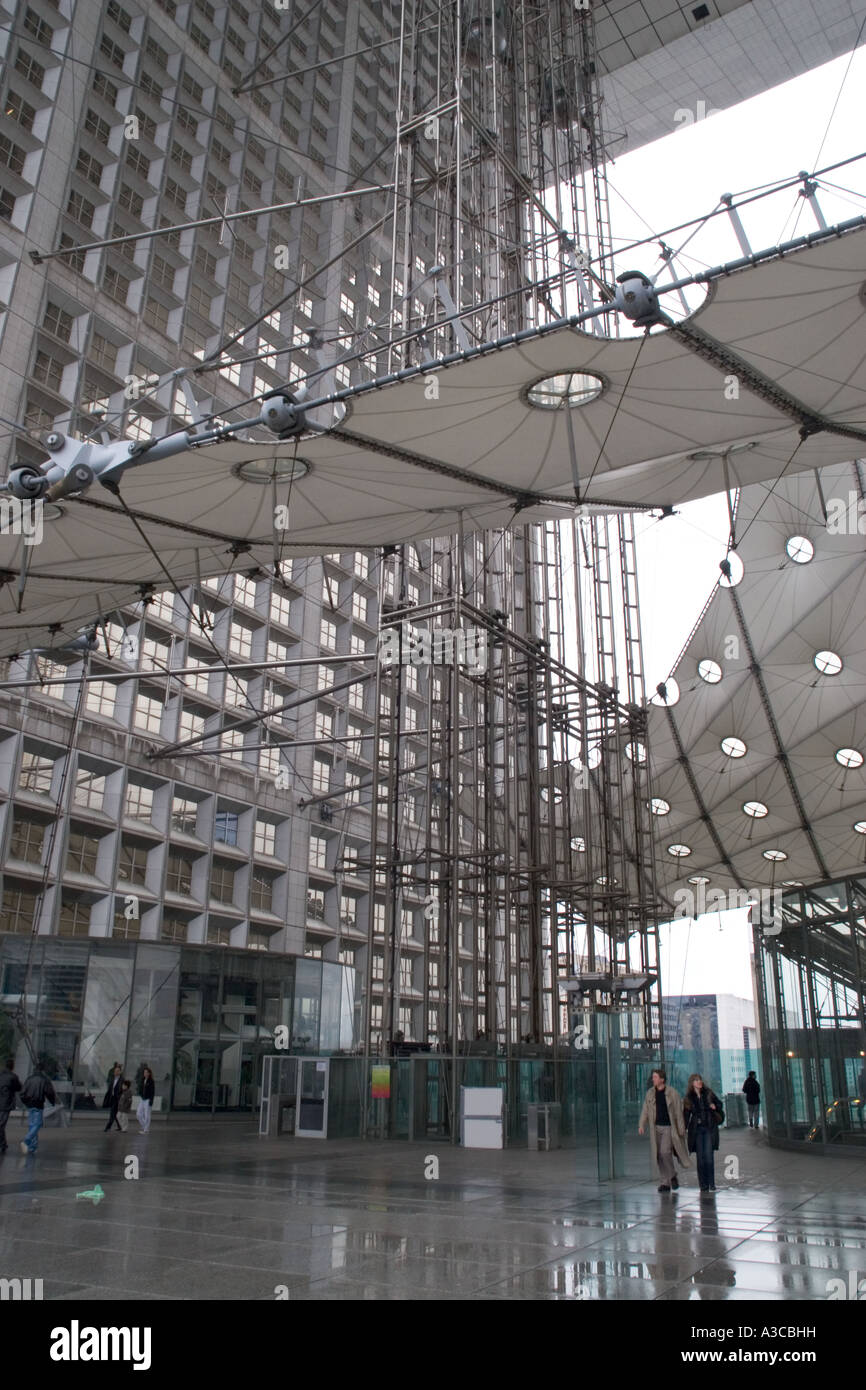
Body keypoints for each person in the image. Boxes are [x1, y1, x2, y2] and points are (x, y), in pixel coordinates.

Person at [638, 1066, 690, 1192]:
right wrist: (641, 1124)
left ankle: (672, 1175)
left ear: (662, 1079)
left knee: (665, 1152)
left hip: (668, 1128)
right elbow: (645, 1110)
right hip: (655, 1128)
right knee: (658, 1155)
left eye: (655, 1077)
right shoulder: (650, 1093)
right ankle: (665, 1182)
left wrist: (681, 1129)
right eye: (653, 1077)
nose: (653, 1079)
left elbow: (678, 1112)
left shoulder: (672, 1093)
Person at [684, 1073, 725, 1194]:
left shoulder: (708, 1093)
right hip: (696, 1129)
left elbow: (719, 1104)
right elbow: (686, 1115)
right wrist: (683, 1129)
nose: (699, 1082)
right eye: (696, 1080)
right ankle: (703, 1184)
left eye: (700, 1080)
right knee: (700, 1159)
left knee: (709, 1157)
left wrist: (714, 1106)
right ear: (692, 1083)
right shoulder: (689, 1098)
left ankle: (711, 1183)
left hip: (708, 1128)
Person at [18, 1059, 57, 1155]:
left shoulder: (29, 1079)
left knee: (32, 1125)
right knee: (38, 1124)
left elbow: (22, 1093)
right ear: (42, 1069)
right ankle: (26, 1141)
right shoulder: (44, 1079)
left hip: (30, 1105)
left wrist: (26, 1102)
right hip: (38, 1104)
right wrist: (52, 1102)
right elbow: (49, 1092)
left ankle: (32, 1147)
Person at [0, 1058, 22, 1154]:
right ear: (12, 1067)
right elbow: (18, 1088)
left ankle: (3, 1144)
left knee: (1, 1125)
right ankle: (3, 1144)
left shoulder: (1, 1075)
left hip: (3, 1102)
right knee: (1, 1125)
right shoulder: (13, 1077)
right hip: (6, 1104)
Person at [103, 1063, 124, 1133]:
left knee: (112, 1113)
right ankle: (120, 1126)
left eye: (118, 1071)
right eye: (115, 1071)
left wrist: (120, 1097)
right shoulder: (112, 1079)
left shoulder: (122, 1080)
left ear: (120, 1072)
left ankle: (108, 1127)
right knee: (115, 1114)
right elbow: (110, 1088)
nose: (116, 1072)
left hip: (117, 1099)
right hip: (112, 1098)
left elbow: (123, 1090)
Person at [137, 1066, 155, 1132]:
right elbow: (140, 1088)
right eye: (144, 1072)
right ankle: (144, 1126)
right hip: (142, 1099)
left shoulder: (151, 1081)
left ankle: (146, 1129)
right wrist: (140, 1093)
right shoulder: (142, 1080)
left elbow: (152, 1092)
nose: (145, 1073)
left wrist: (151, 1100)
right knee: (138, 1114)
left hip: (148, 1099)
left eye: (146, 1072)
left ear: (149, 1073)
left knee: (147, 1115)